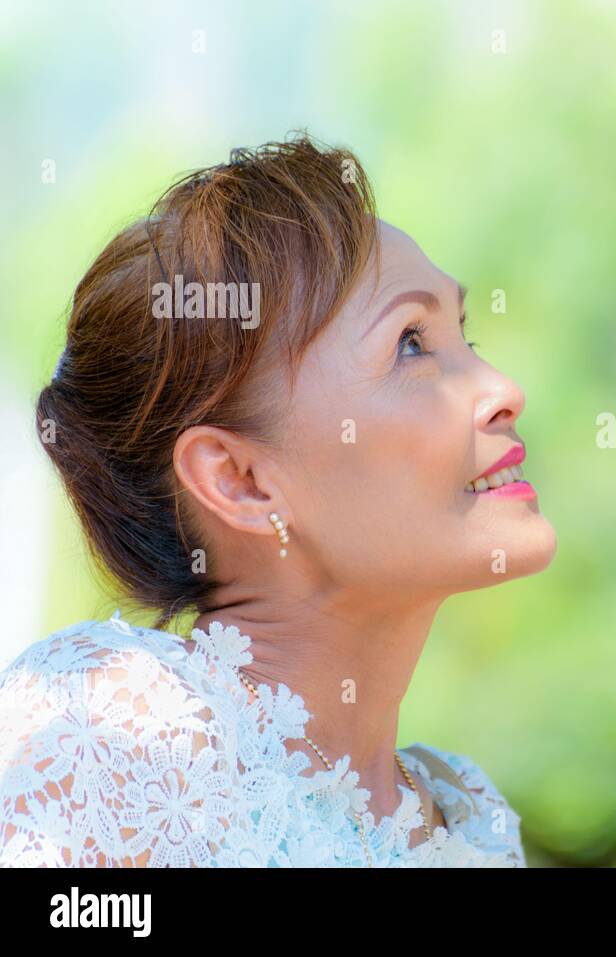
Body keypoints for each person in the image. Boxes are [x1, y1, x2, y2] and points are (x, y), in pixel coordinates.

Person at [0, 136, 556, 867]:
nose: (501, 388)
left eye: (465, 333)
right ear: (239, 480)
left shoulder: (470, 819)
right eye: (411, 343)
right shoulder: (103, 736)